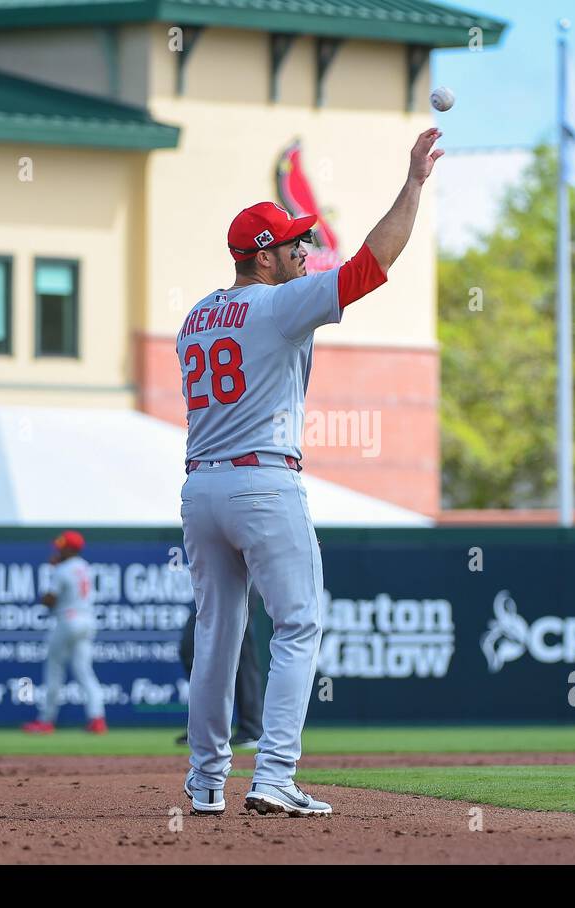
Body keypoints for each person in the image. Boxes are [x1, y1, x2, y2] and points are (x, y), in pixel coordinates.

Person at [177, 128, 443, 816]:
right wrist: (413, 185)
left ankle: (206, 780)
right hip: (263, 481)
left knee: (217, 631)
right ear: (263, 256)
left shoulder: (195, 318)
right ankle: (274, 776)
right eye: (292, 242)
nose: (303, 249)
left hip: (201, 482)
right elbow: (370, 264)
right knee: (297, 623)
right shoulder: (279, 304)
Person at [22, 531, 106, 734]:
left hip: (68, 620)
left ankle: (46, 720)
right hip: (87, 620)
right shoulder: (84, 567)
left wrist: (54, 571)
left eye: (62, 546)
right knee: (85, 672)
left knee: (54, 669)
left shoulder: (62, 569)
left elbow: (49, 599)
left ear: (70, 549)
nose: (58, 548)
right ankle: (97, 719)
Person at [175, 591, 264, 749]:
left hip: (246, 576)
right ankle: (206, 727)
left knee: (242, 649)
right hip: (214, 577)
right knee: (190, 648)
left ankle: (252, 728)